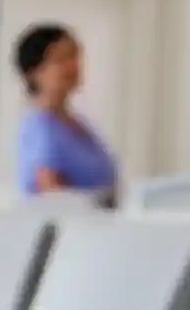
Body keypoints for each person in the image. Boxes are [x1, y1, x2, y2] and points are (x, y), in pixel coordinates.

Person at [13, 24, 117, 200]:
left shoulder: (79, 125)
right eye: (61, 59)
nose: (73, 65)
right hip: (70, 223)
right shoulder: (39, 127)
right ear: (35, 72)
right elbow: (52, 193)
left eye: (75, 55)